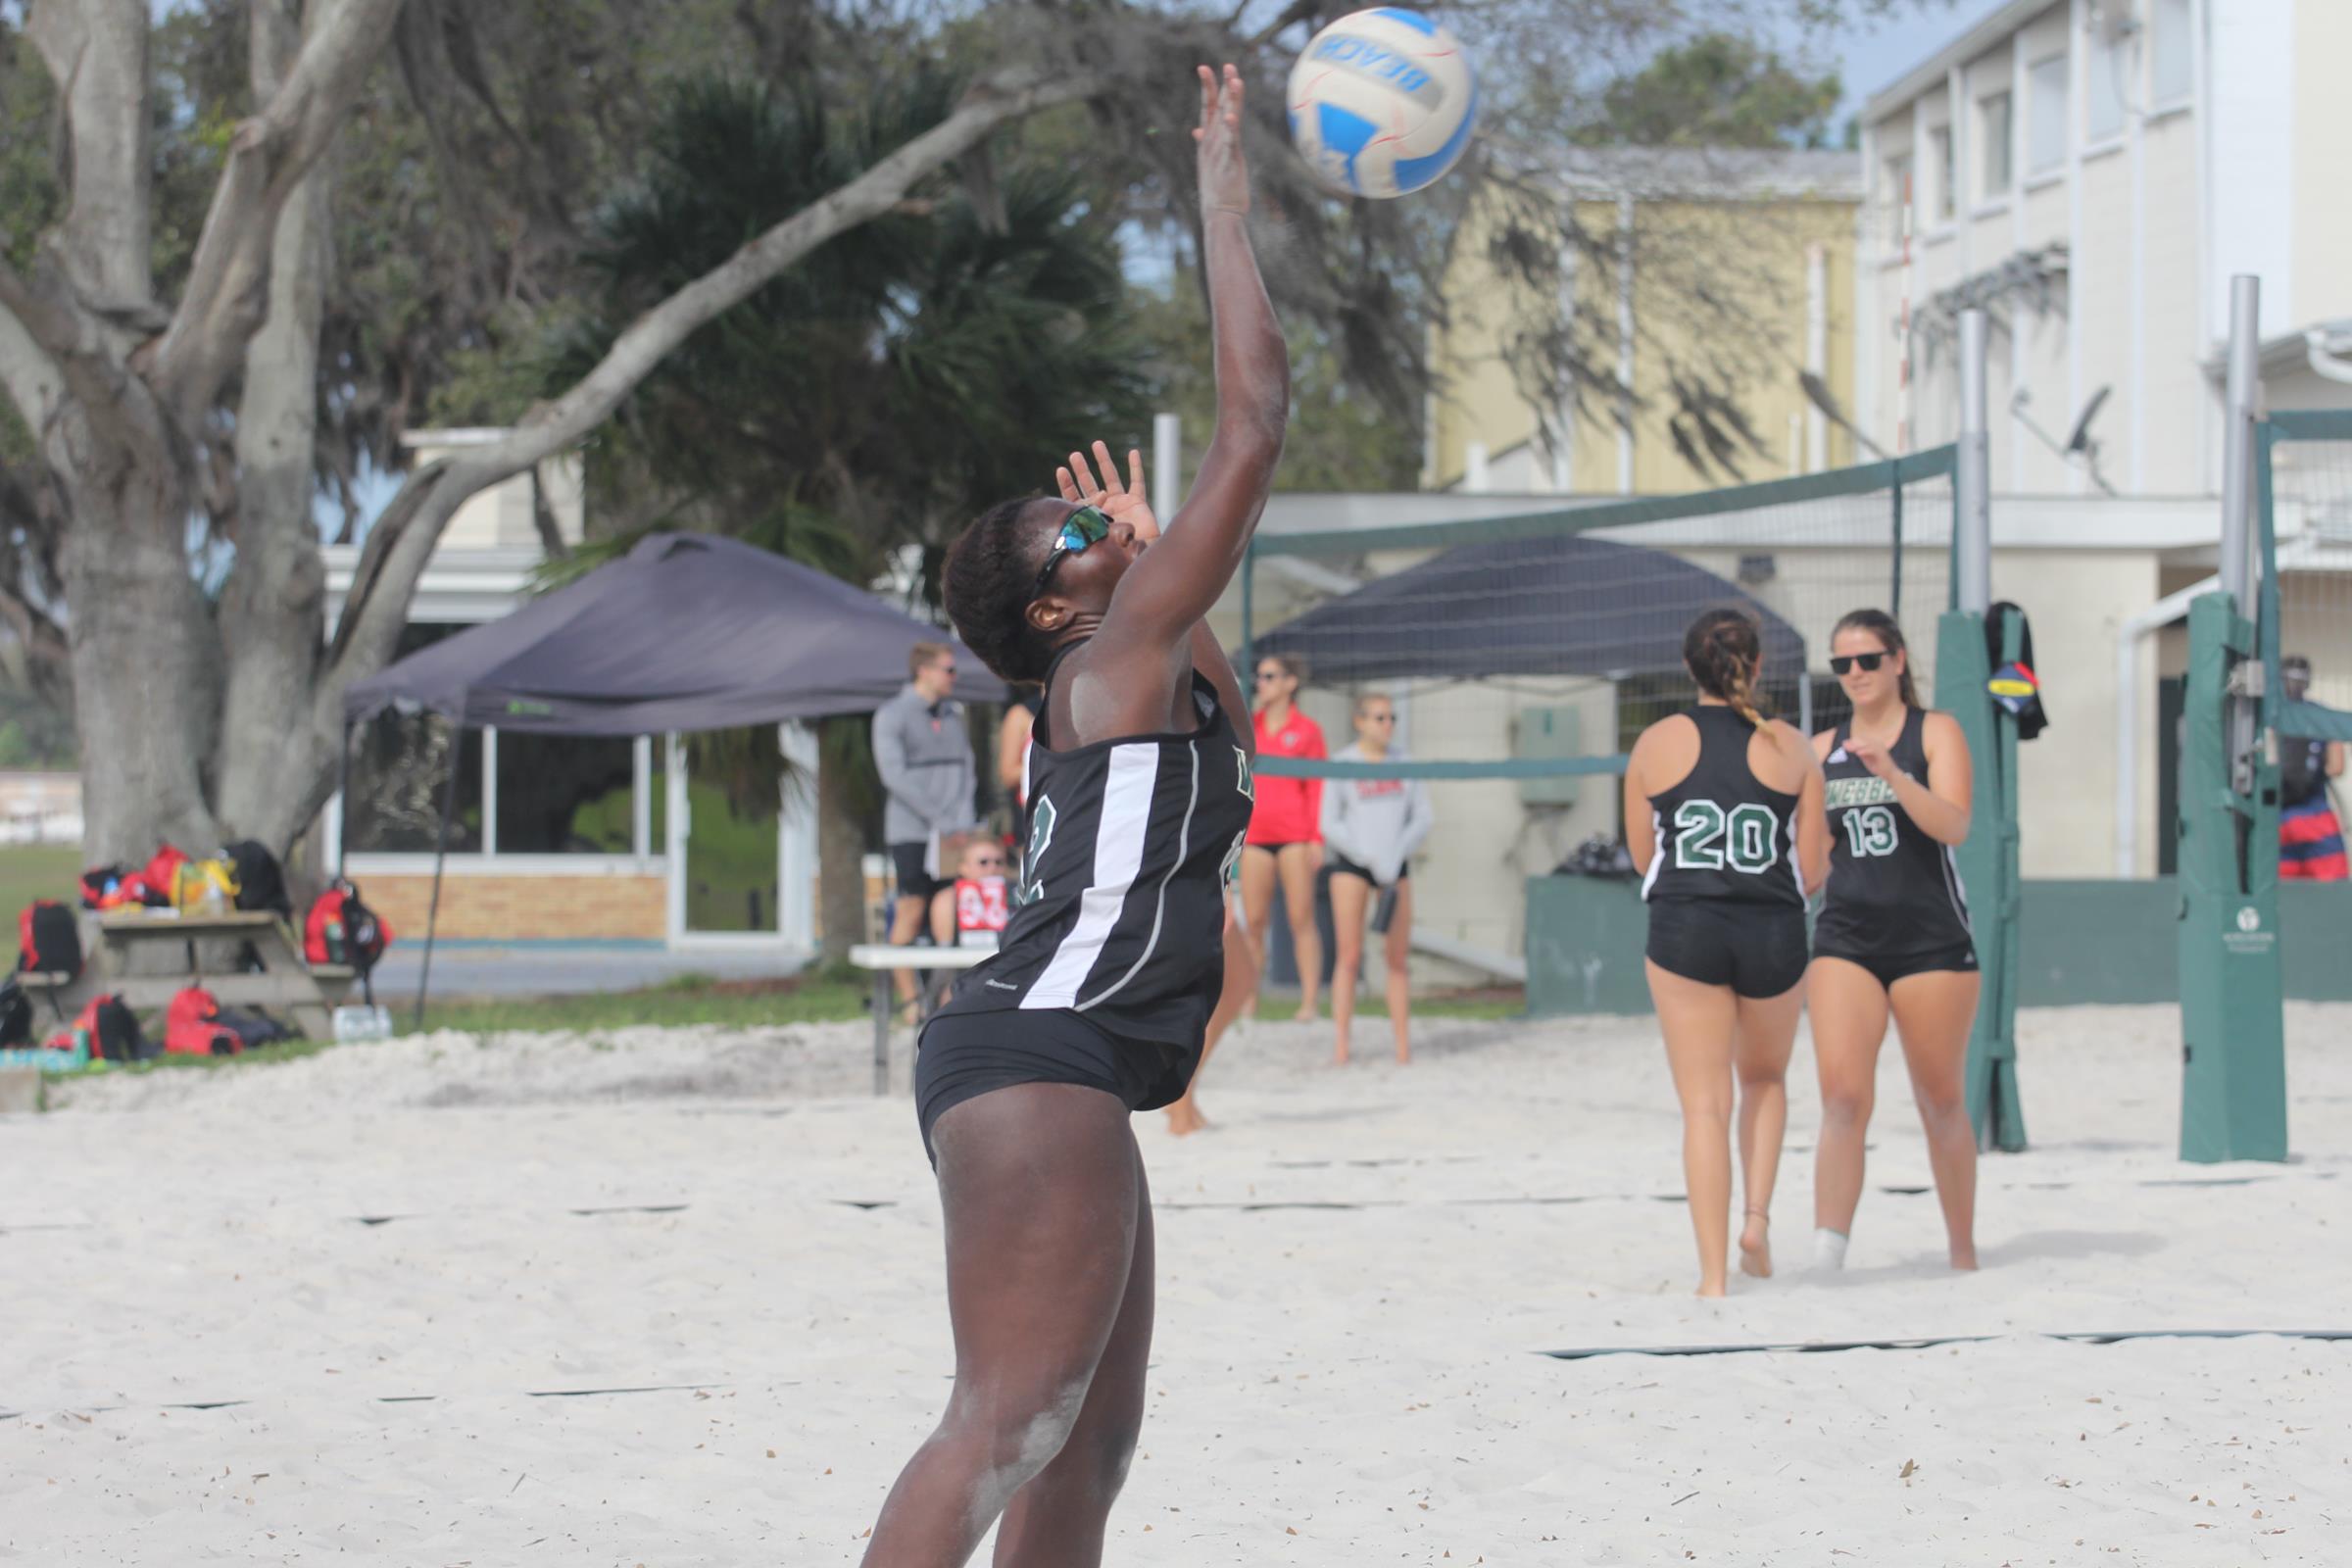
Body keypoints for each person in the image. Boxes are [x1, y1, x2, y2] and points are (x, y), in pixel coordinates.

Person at [860, 64, 1283, 1567]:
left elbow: (1226, 711)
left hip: (1057, 1057)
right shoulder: (1105, 664)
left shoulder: (1134, 669)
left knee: (1087, 1444)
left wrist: (1149, 546)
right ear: (1052, 608)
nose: (1108, 524)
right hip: (1038, 1053)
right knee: (1004, 1420)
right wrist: (1220, 204)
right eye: (1081, 531)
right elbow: (1256, 422)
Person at [1625, 609, 1827, 1297]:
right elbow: (1813, 867)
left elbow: (1644, 857)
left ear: (1689, 667)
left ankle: (1713, 1279)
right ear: (1758, 665)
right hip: (1772, 926)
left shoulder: (1656, 742)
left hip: (1687, 926)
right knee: (1764, 1081)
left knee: (1704, 1106)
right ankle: (1756, 1224)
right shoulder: (1791, 746)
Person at [1807, 608, 1981, 1273]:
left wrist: (1895, 776)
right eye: (1842, 663)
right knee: (1842, 1096)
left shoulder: (1934, 731)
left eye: (1868, 660)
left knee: (1940, 1099)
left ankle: (1962, 1253)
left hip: (1930, 940)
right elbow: (1814, 857)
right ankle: (1828, 1255)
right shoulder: (1821, 749)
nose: (1855, 673)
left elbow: (1954, 825)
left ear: (1898, 661)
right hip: (1846, 937)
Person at [1320, 692, 1433, 1065]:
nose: (1387, 725)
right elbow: (1329, 822)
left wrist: (1395, 853)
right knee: (1349, 955)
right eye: (1379, 718)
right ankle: (1341, 1046)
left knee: (1396, 957)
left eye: (1391, 718)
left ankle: (1402, 1049)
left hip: (1394, 864)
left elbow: (1423, 817)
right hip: (1353, 865)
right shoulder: (1343, 763)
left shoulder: (1405, 763)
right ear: (1360, 721)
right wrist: (1364, 855)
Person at [873, 640, 976, 1022]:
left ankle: (945, 999)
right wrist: (939, 818)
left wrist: (960, 821)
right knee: (912, 907)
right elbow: (895, 776)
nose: (954, 677)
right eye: (948, 670)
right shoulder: (892, 715)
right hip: (912, 831)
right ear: (925, 671)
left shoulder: (953, 715)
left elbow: (967, 769)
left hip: (953, 832)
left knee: (948, 907)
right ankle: (909, 1002)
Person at [1240, 652, 1325, 1021]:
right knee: (1255, 922)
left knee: (1301, 918)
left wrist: (1316, 838)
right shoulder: (1249, 726)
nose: (1261, 683)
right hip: (1256, 834)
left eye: (1270, 676)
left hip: (1295, 835)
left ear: (1291, 683)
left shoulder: (1307, 730)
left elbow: (1317, 786)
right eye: (1259, 676)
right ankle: (1249, 1002)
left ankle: (1309, 1003)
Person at [2278, 655, 2347, 881]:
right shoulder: (2320, 715)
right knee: (2332, 889)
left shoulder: (2267, 716)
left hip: (2275, 820)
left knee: (2282, 891)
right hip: (2316, 818)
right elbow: (2336, 767)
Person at [928, 833, 1011, 950]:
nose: (992, 868)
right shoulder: (948, 898)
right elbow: (944, 945)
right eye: (983, 862)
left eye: (999, 862)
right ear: (963, 867)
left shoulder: (1015, 895)